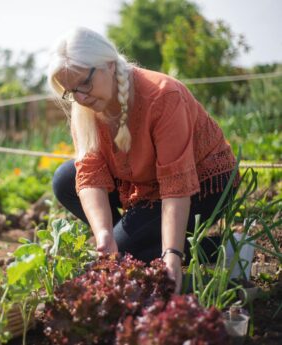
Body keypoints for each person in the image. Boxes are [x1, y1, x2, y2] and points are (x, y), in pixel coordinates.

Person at [48, 27, 239, 293]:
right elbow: (90, 172)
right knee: (65, 180)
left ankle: (227, 249)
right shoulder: (86, 108)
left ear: (110, 65)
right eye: (71, 91)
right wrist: (104, 234)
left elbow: (176, 184)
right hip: (146, 181)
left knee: (128, 249)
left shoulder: (163, 95)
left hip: (203, 181)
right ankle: (132, 242)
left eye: (85, 84)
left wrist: (171, 253)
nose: (80, 97)